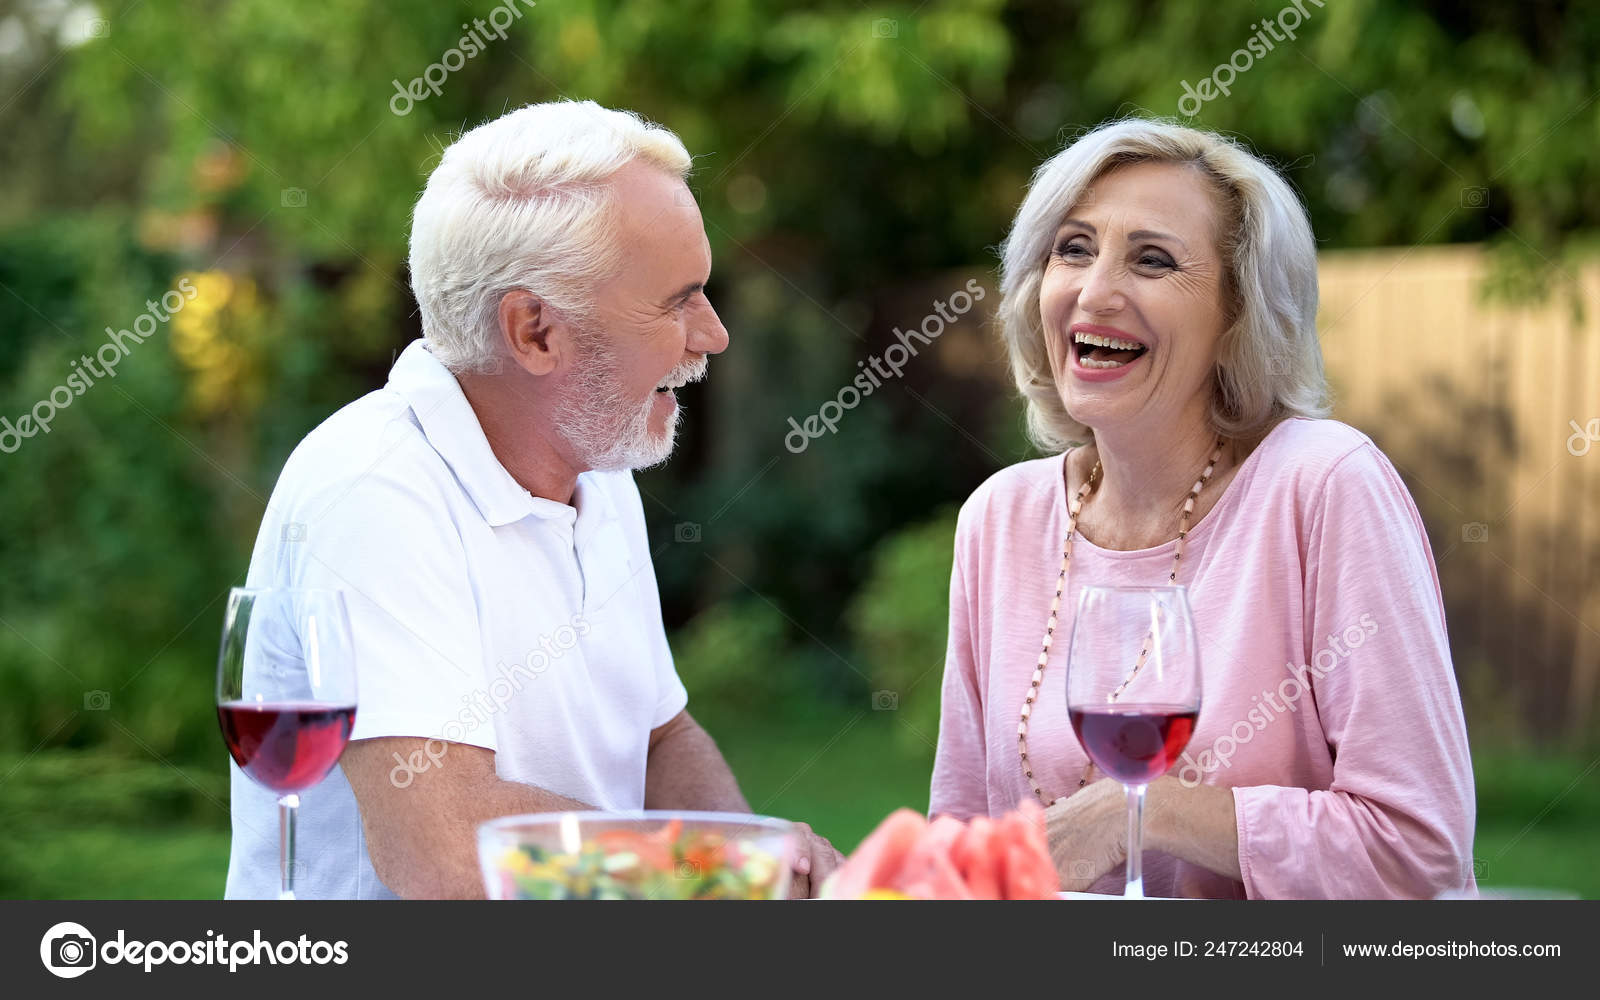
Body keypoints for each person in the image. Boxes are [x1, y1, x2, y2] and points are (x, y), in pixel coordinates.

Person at [225, 100, 841, 899]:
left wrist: (765, 864)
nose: (714, 333)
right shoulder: (376, 487)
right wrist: (716, 871)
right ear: (535, 332)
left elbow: (659, 741)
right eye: (676, 300)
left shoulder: (598, 466)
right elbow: (443, 856)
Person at [929, 118, 1476, 899]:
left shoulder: (1324, 485)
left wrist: (1145, 813)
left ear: (1237, 320)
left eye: (1152, 261)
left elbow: (1418, 847)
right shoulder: (1000, 520)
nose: (1096, 291)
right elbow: (963, 845)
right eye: (1073, 249)